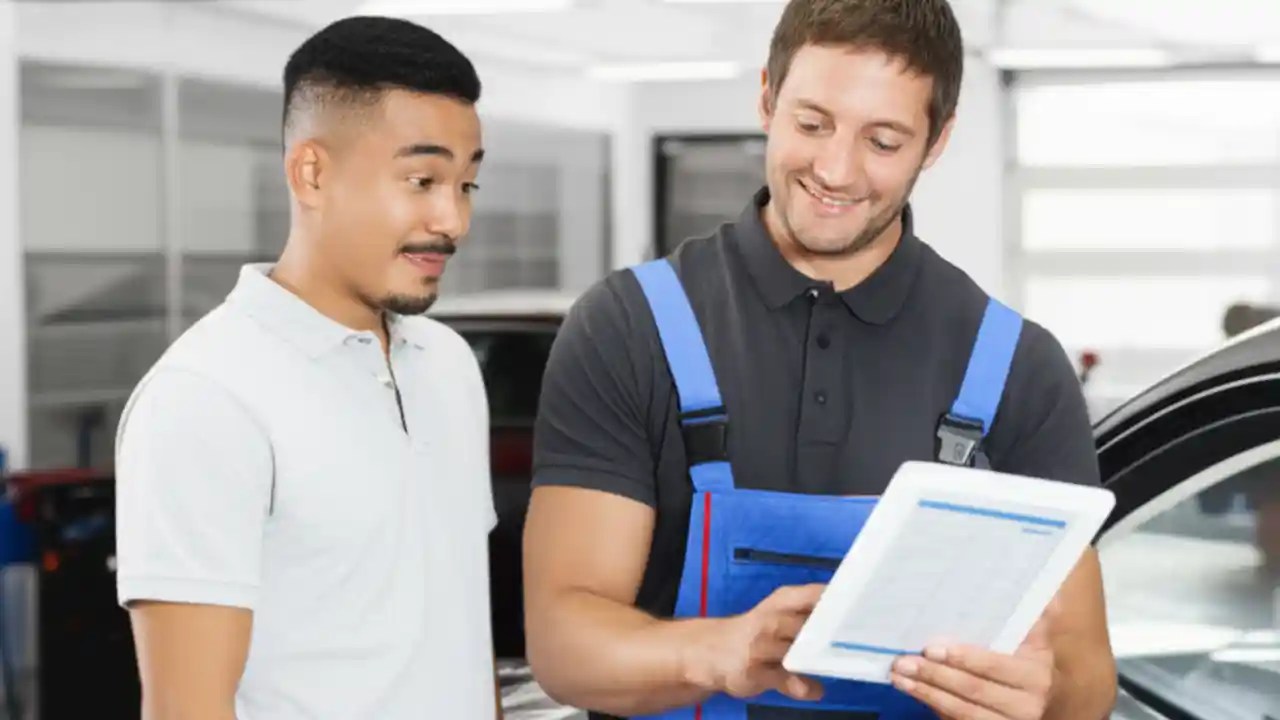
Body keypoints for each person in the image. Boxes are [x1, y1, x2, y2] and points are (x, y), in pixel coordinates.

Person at [523, 1, 1116, 719]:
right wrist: (717, 652)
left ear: (937, 141)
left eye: (884, 141)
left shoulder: (1018, 367)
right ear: (768, 95)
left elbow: (1085, 682)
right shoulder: (627, 328)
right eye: (812, 123)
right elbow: (562, 642)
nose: (835, 169)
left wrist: (1041, 697)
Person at [113, 15, 501, 720]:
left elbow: (458, 650)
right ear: (311, 174)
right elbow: (186, 709)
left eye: (467, 185)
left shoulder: (448, 365)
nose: (453, 219)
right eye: (422, 179)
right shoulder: (206, 396)